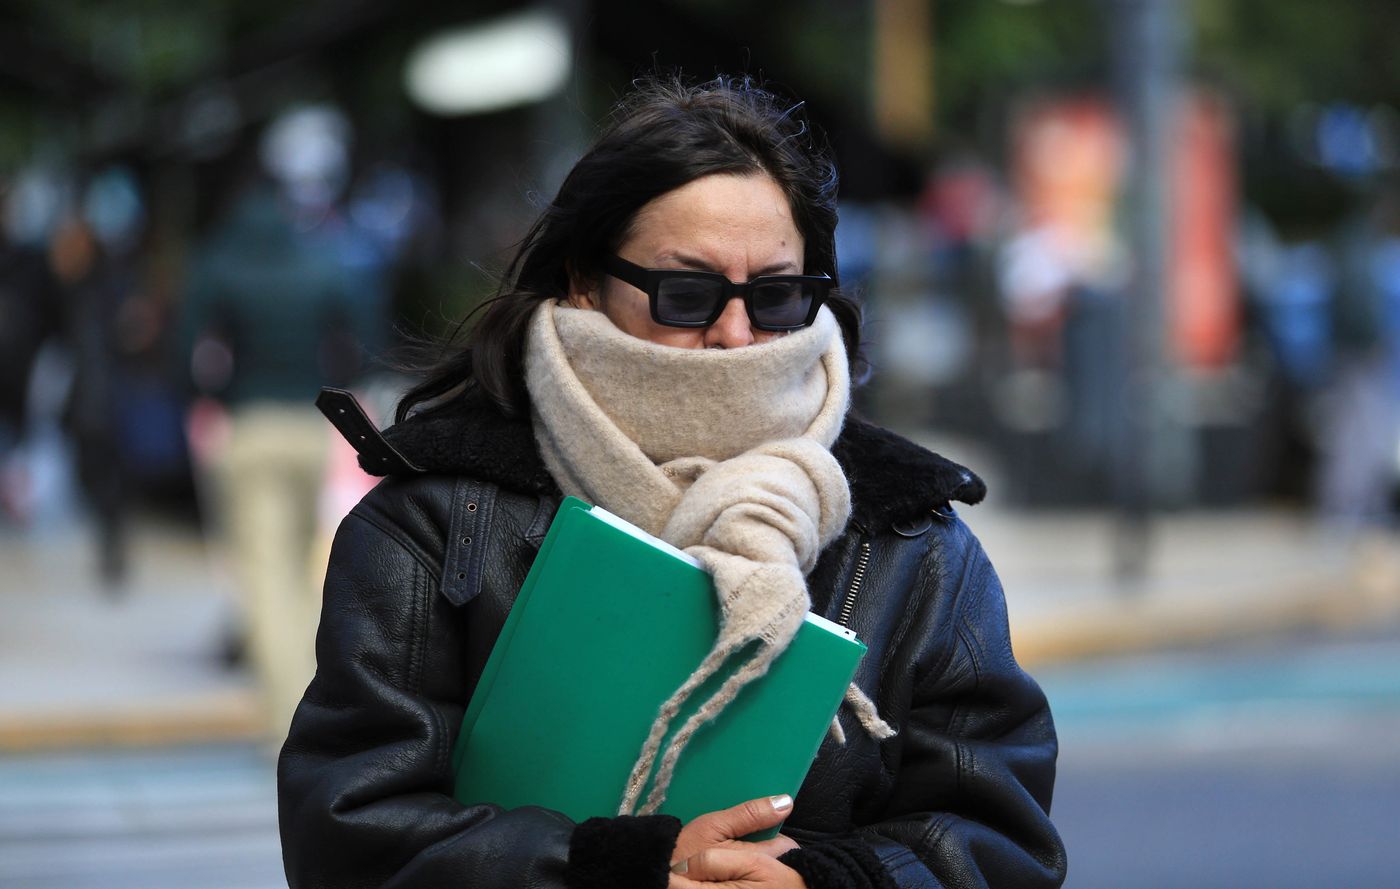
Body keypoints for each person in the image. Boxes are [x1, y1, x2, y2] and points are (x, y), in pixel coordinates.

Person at [278, 75, 1066, 889]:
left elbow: (998, 840)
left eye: (775, 295)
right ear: (585, 280)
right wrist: (612, 873)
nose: (735, 333)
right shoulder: (434, 517)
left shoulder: (915, 538)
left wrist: (829, 881)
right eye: (687, 293)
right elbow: (347, 832)